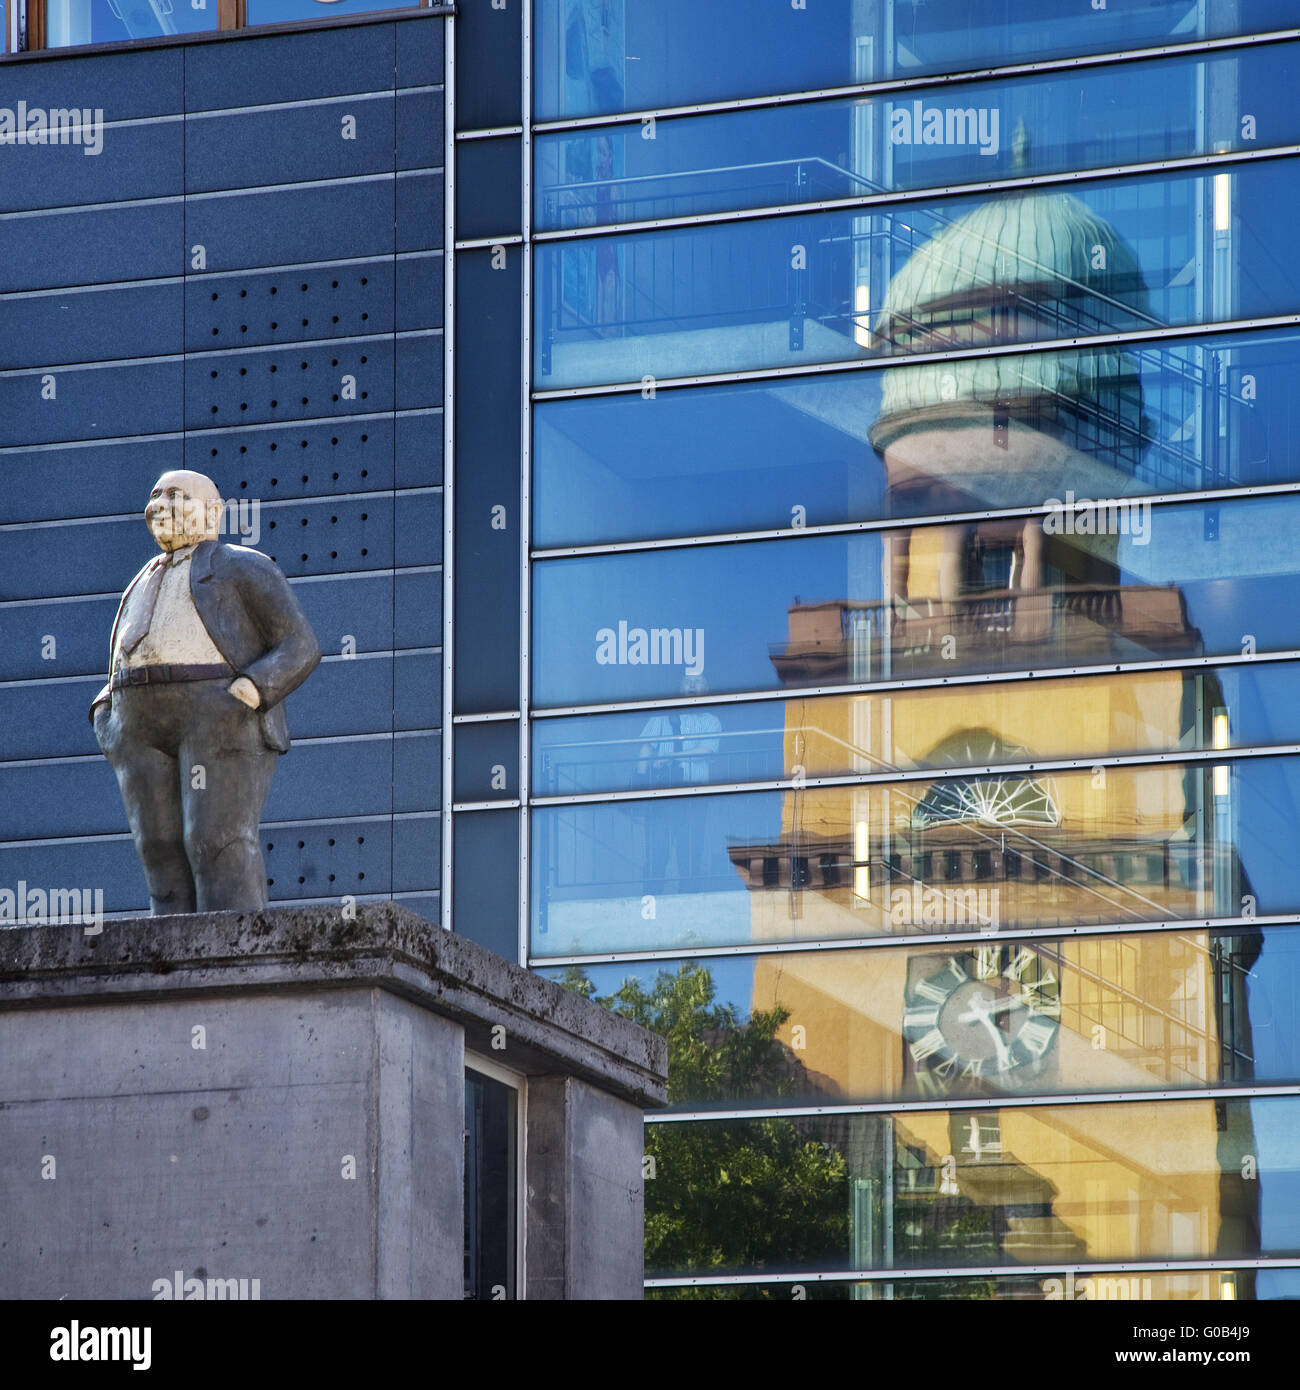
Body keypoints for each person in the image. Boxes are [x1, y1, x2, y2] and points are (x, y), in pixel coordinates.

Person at [90, 470, 321, 915]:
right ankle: (169, 969)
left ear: (213, 511)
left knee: (215, 839)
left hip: (216, 715)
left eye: (177, 495)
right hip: (137, 726)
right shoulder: (141, 579)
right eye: (155, 495)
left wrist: (251, 690)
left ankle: (233, 965)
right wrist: (106, 713)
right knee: (157, 846)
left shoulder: (241, 565)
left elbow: (300, 643)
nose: (161, 504)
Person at [636, 674, 722, 891]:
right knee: (657, 852)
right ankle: (651, 900)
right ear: (679, 686)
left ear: (707, 688)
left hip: (694, 797)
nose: (693, 685)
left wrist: (672, 757)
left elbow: (706, 750)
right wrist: (641, 778)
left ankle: (689, 904)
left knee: (690, 853)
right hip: (661, 796)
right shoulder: (662, 717)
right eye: (687, 681)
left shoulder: (711, 720)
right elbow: (646, 748)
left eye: (699, 681)